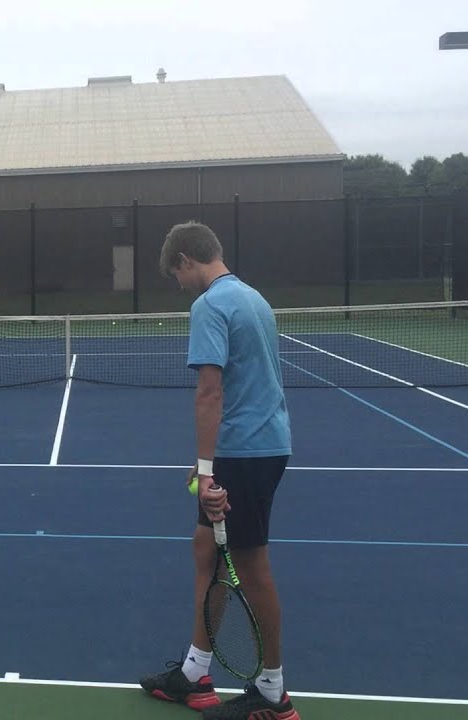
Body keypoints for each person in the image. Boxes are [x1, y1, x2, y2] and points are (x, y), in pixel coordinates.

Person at [139, 222, 299, 720]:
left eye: (176, 275)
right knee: (206, 548)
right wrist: (210, 459)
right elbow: (249, 382)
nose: (180, 285)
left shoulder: (209, 305)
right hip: (256, 447)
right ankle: (195, 673)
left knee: (250, 567)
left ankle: (273, 694)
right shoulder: (254, 299)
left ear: (187, 261)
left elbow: (211, 391)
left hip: (245, 456)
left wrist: (208, 471)